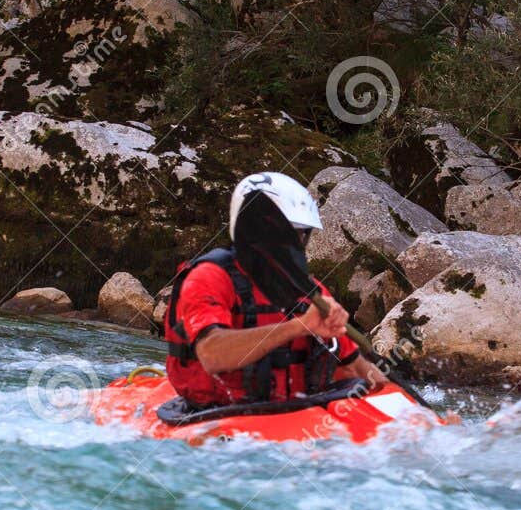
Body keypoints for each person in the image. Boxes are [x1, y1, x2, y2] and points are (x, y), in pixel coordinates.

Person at [163, 172, 387, 408]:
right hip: (214, 418)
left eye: (300, 236)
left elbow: (355, 368)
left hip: (294, 415)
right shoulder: (208, 278)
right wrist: (299, 326)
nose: (293, 245)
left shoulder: (312, 293)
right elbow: (211, 355)